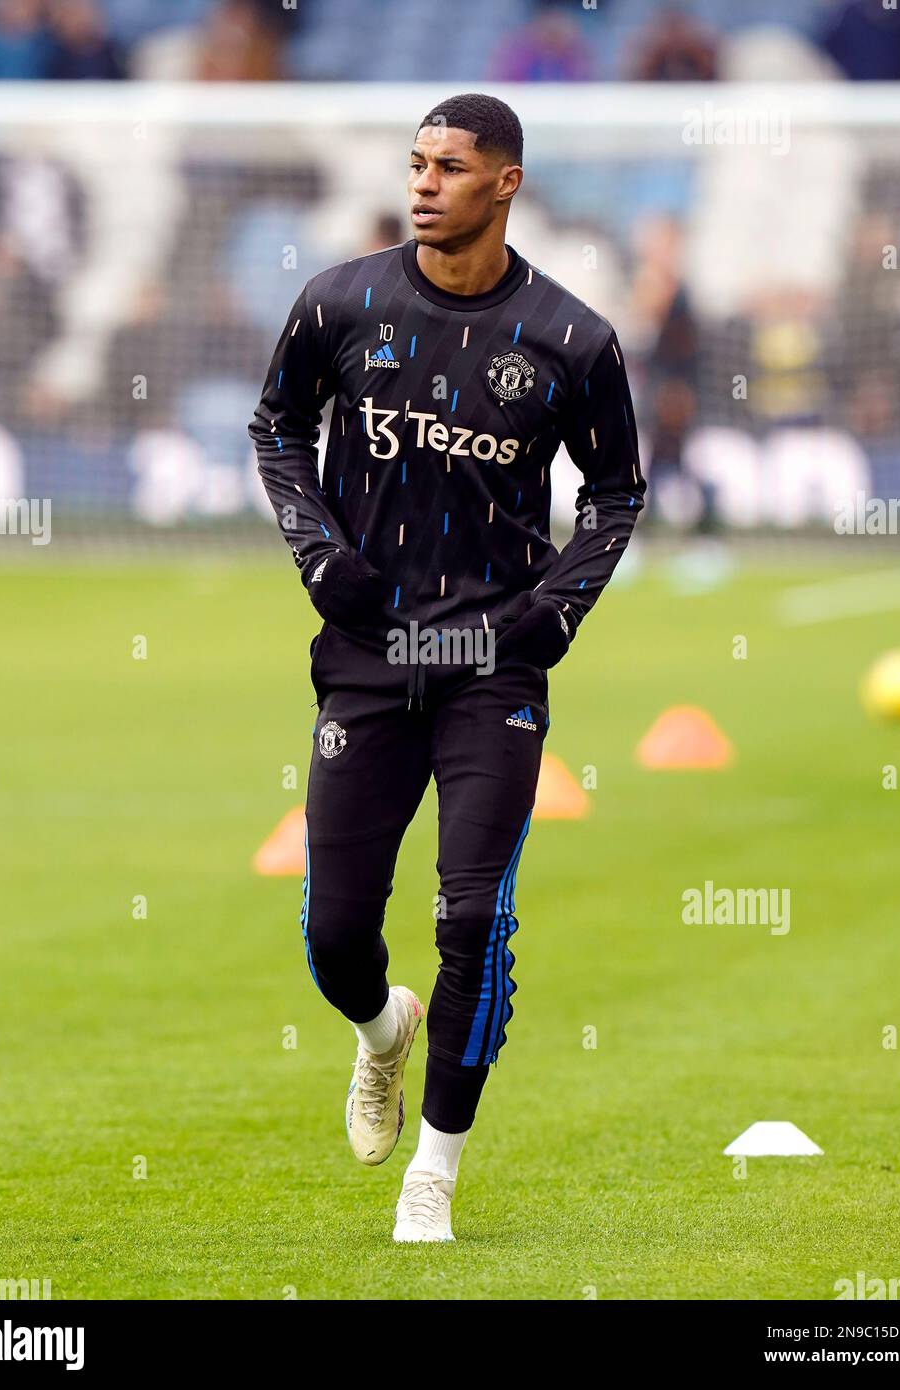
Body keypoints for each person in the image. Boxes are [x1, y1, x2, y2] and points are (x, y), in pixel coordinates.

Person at [249, 92, 645, 1243]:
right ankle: (379, 1032)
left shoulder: (571, 339)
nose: (424, 182)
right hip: (367, 663)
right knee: (332, 938)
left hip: (491, 674)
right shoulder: (339, 301)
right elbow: (275, 428)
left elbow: (616, 492)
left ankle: (434, 1170)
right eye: (414, 163)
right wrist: (320, 555)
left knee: (472, 918)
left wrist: (549, 615)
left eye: (451, 166)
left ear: (505, 183)